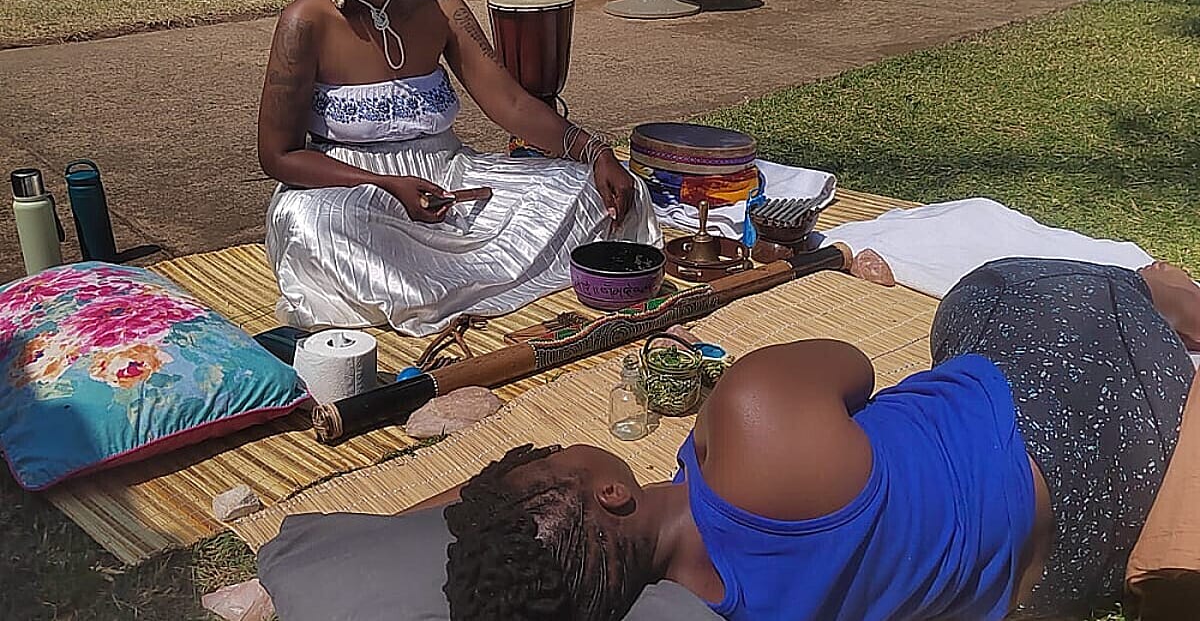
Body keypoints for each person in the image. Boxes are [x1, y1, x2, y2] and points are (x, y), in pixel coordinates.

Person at [439, 258, 1200, 620]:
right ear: (612, 490)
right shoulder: (750, 415)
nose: (552, 446)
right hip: (1094, 414)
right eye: (546, 457)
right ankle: (1159, 293)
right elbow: (855, 368)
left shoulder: (726, 604)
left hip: (1077, 572)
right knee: (985, 295)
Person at [257, 0, 660, 335]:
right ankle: (438, 284)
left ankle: (450, 282)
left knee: (587, 191)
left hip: (449, 173)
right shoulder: (304, 22)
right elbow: (278, 156)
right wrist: (385, 185)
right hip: (350, 188)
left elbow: (508, 103)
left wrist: (595, 153)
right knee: (313, 227)